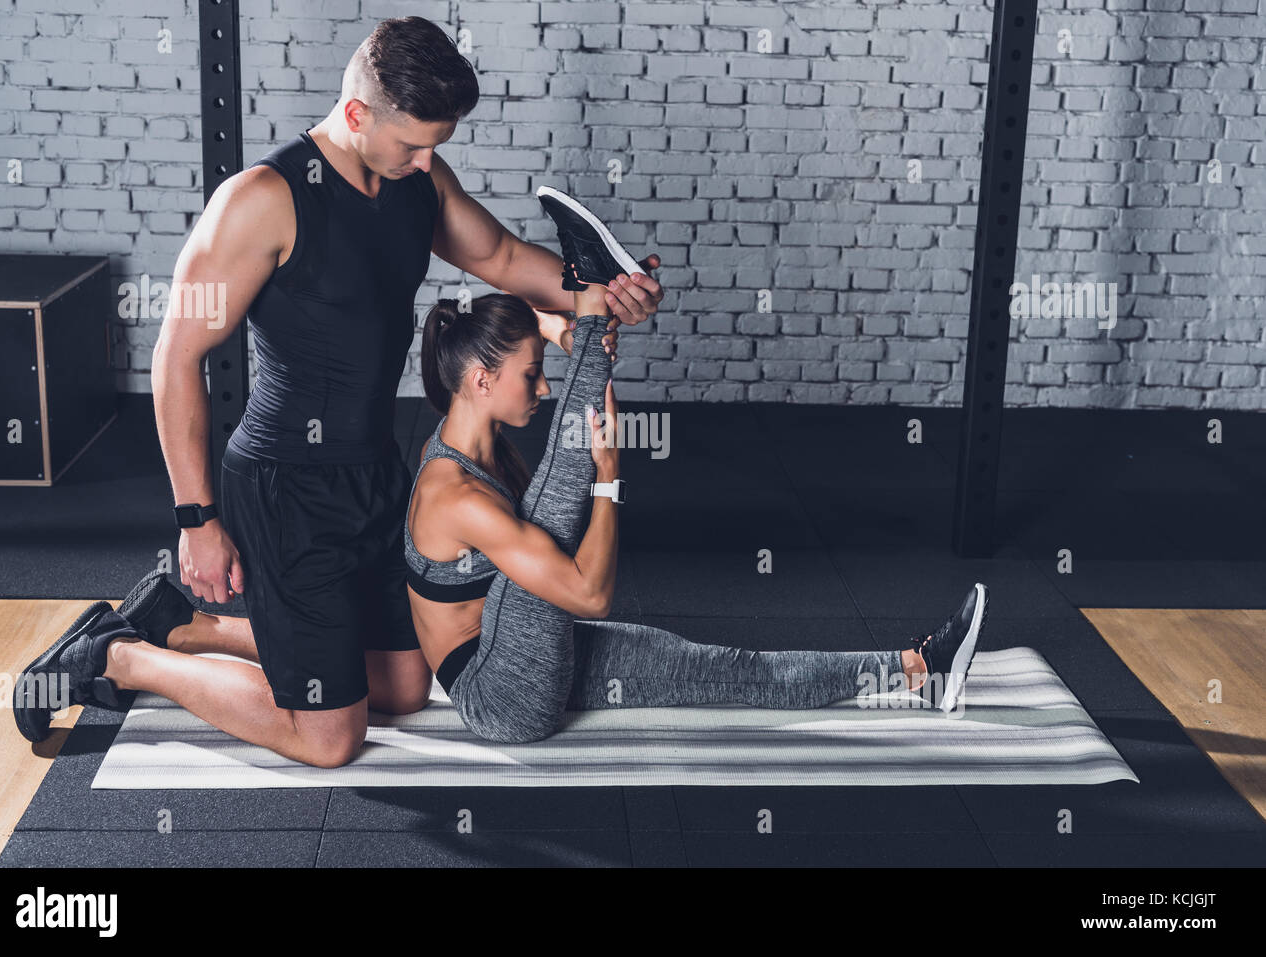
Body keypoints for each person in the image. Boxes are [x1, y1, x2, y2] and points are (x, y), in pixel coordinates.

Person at [12, 17, 664, 767]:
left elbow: (502, 254)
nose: (428, 163)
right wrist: (197, 519)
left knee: (405, 683)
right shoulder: (262, 200)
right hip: (284, 486)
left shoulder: (417, 180)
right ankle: (119, 656)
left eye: (437, 145)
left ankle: (183, 621)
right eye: (413, 144)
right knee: (330, 737)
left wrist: (598, 295)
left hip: (372, 471)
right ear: (357, 114)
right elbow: (176, 356)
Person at [405, 283, 989, 744]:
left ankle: (915, 670)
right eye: (530, 376)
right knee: (557, 501)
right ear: (482, 381)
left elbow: (555, 548)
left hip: (526, 645)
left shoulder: (479, 448)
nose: (540, 388)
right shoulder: (456, 496)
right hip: (502, 695)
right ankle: (588, 309)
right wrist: (608, 481)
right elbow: (588, 595)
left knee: (721, 668)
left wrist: (562, 333)